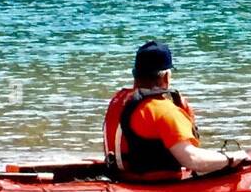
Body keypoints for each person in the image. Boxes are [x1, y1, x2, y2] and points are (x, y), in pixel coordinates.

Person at [102, 40, 238, 181]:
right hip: (155, 186)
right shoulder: (164, 111)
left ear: (135, 75)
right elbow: (192, 160)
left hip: (122, 178)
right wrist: (230, 158)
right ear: (166, 76)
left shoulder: (119, 100)